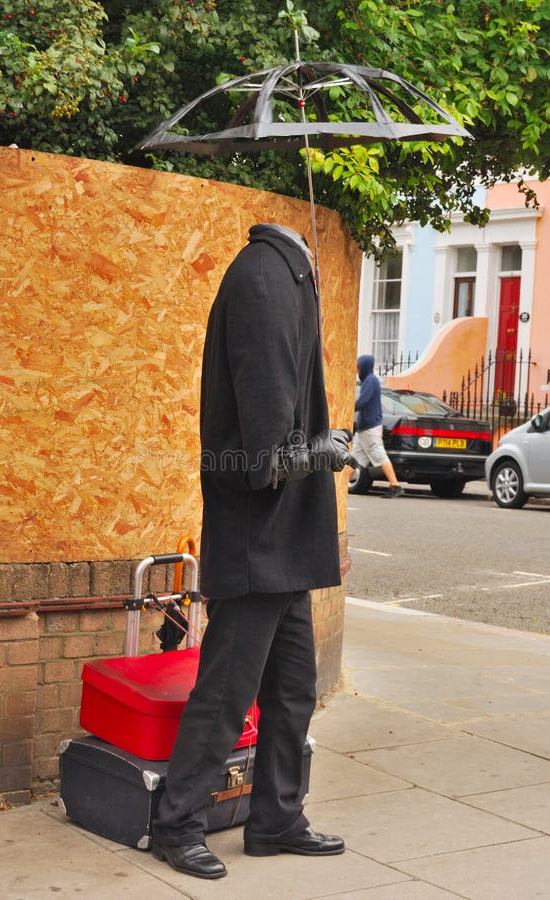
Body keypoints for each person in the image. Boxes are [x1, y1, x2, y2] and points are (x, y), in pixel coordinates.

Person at [150, 223, 351, 879]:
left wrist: (323, 442)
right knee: (225, 697)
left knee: (293, 692)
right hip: (257, 541)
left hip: (284, 543)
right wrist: (324, 448)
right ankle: (176, 825)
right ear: (303, 252)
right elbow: (266, 454)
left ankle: (276, 820)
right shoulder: (267, 280)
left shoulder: (286, 279)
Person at [346, 354, 404, 498]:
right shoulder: (370, 380)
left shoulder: (370, 381)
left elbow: (362, 402)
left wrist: (347, 407)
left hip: (369, 427)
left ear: (364, 367)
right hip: (365, 428)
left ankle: (395, 485)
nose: (357, 371)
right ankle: (338, 486)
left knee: (379, 454)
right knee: (354, 459)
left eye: (358, 367)